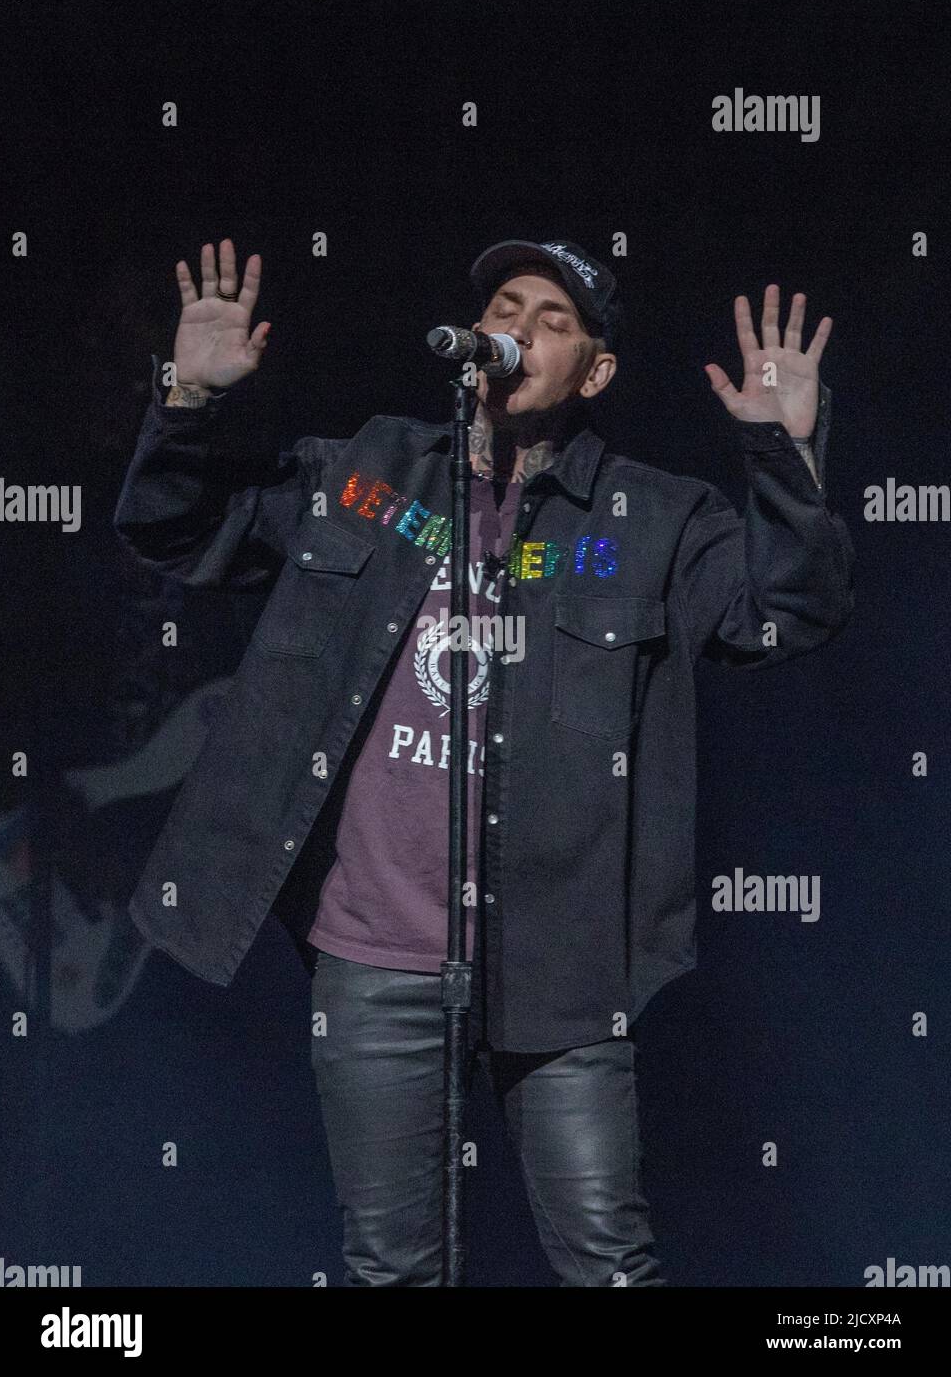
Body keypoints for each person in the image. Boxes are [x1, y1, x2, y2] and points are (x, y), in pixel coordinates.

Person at [113, 236, 855, 1286]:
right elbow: (173, 531)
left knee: (609, 1261)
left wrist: (785, 458)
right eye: (505, 307)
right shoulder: (369, 474)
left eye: (553, 321)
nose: (517, 328)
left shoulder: (649, 521)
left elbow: (791, 613)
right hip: (373, 956)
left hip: (564, 967)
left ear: (594, 371)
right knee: (391, 1267)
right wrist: (185, 395)